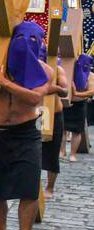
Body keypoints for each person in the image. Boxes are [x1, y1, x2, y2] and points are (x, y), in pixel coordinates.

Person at [0, 21, 57, 230]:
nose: (26, 45)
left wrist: (5, 83)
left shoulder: (44, 71)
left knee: (29, 189)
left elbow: (35, 99)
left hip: (26, 133)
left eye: (33, 40)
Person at [41, 62, 69, 200]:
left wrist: (50, 88)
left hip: (53, 114)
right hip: (34, 112)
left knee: (52, 152)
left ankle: (50, 187)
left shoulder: (57, 69)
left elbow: (65, 91)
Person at [65, 55, 93, 162]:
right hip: (67, 102)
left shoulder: (90, 75)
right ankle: (62, 151)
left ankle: (72, 154)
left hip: (80, 103)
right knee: (63, 129)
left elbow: (92, 91)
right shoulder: (70, 71)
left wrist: (77, 93)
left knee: (77, 131)